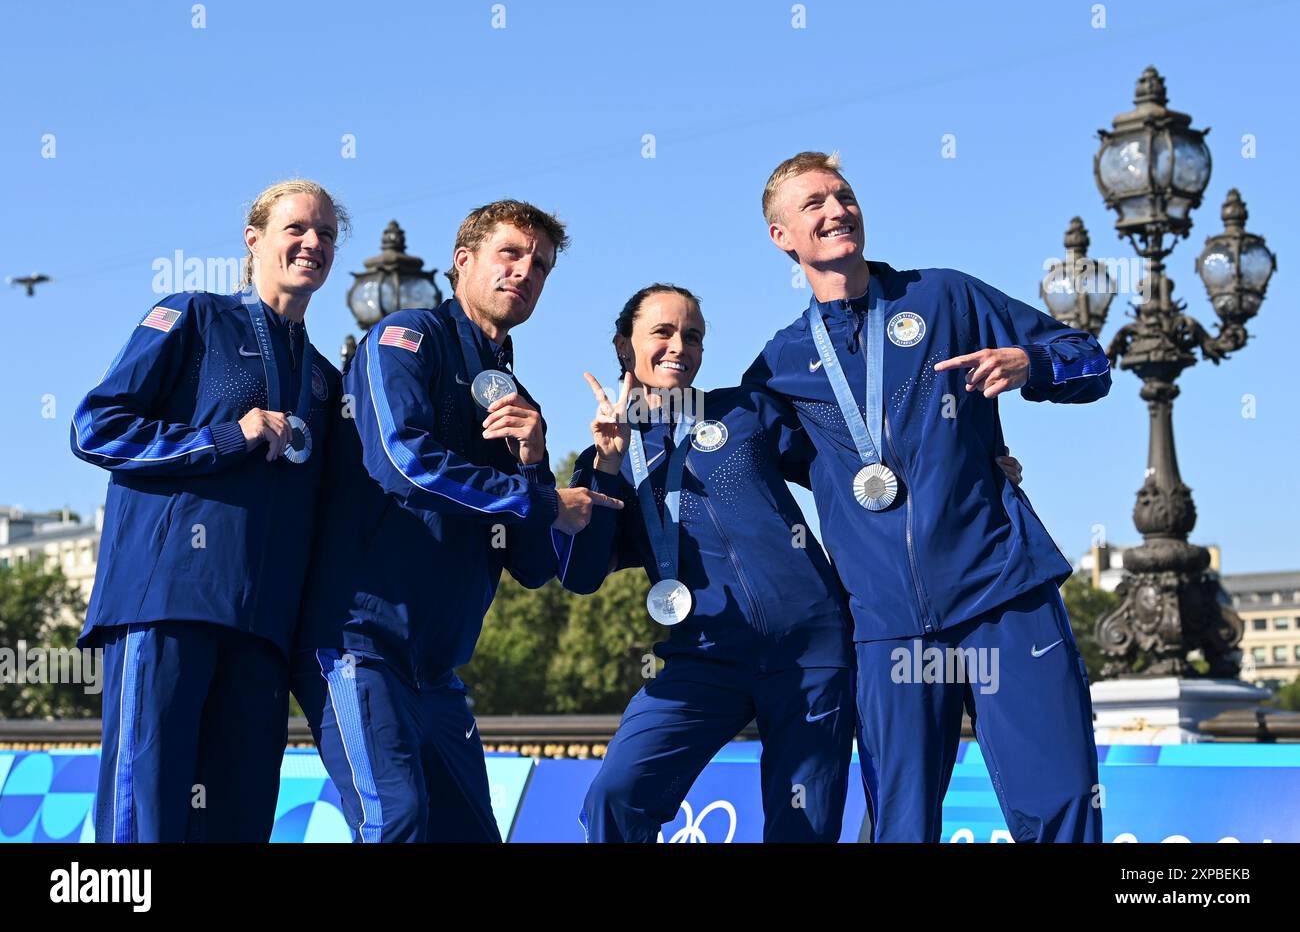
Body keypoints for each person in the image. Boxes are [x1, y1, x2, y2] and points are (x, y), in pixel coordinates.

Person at [560, 284, 1025, 843]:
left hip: (812, 653)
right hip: (702, 658)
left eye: (693, 335)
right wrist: (607, 469)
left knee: (802, 829)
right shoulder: (605, 457)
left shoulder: (743, 411)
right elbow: (582, 574)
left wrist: (971, 462)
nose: (679, 346)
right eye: (662, 332)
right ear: (623, 344)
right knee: (618, 792)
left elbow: (860, 461)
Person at [744, 151, 1111, 843]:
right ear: (781, 236)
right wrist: (645, 415)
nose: (836, 210)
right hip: (887, 626)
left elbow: (1090, 361)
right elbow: (731, 454)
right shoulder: (781, 363)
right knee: (901, 829)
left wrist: (1033, 364)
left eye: (844, 195)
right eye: (814, 203)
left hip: (1002, 593)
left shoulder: (943, 296)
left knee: (1059, 806)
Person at [293, 199, 619, 842]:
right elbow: (401, 463)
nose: (525, 272)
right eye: (510, 254)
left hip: (437, 672)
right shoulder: (402, 339)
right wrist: (547, 502)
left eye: (541, 266)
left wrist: (533, 461)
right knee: (397, 821)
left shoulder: (516, 397)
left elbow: (528, 565)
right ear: (463, 262)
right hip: (358, 643)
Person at [71, 179, 348, 841]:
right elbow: (93, 428)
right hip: (167, 603)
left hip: (263, 629)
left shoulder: (323, 379)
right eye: (297, 229)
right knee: (148, 815)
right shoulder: (192, 315)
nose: (313, 243)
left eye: (328, 234)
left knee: (238, 822)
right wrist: (227, 435)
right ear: (254, 241)